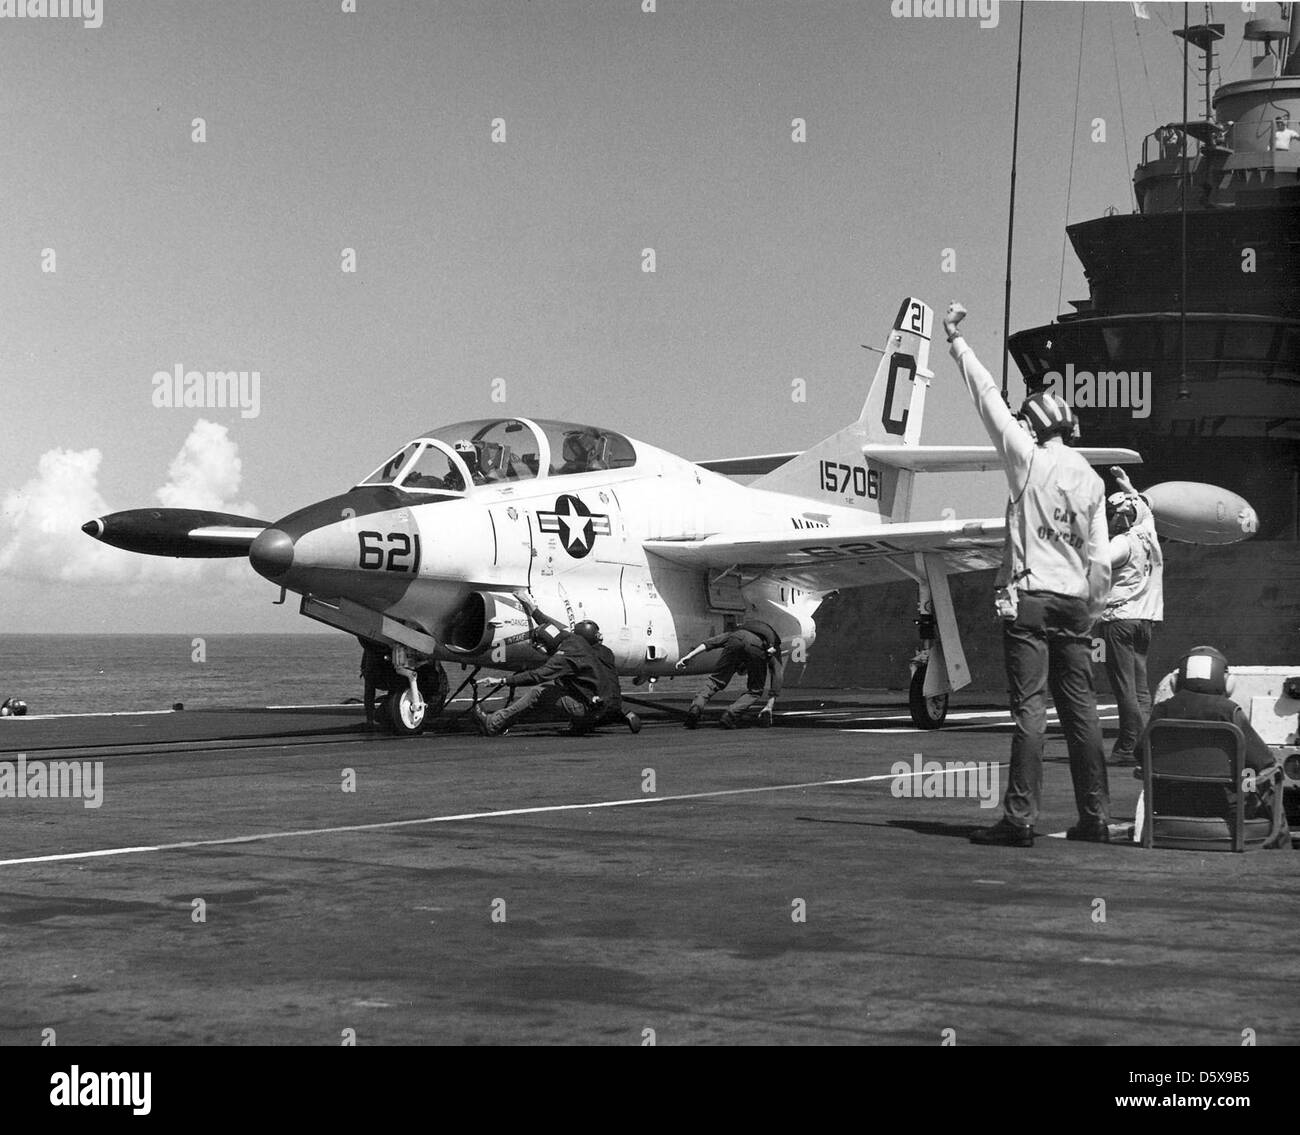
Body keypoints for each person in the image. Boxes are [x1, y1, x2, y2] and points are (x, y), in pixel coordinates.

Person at [945, 302, 1112, 846]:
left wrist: (957, 341)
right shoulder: (1091, 481)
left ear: (1035, 427)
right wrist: (1091, 608)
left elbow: (986, 398)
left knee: (1030, 713)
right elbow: (1101, 562)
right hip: (1074, 607)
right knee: (1082, 713)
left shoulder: (1027, 459)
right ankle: (1096, 818)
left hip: (1031, 602)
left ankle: (1019, 820)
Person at [1142, 646, 1290, 849]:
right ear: (1227, 683)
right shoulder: (1230, 712)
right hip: (1226, 811)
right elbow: (1264, 761)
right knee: (1269, 780)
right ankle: (1283, 851)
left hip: (1169, 808)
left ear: (1175, 683)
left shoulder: (1161, 711)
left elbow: (1140, 754)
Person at [473, 610, 640, 736]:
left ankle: (493, 724)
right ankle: (584, 724)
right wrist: (532, 608)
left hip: (591, 709)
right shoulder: (577, 642)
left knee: (538, 692)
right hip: (606, 704)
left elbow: (537, 676)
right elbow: (554, 629)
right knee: (564, 684)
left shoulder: (564, 657)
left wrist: (502, 680)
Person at [1097, 466, 1164, 765]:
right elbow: (1142, 509)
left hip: (1120, 620)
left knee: (1124, 688)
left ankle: (1127, 747)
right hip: (1145, 620)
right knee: (1141, 689)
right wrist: (1128, 487)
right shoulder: (1149, 533)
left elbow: (1097, 564)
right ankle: (1146, 747)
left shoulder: (1121, 543)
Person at [675, 620, 783, 729]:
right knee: (755, 691)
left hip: (735, 640)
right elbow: (777, 675)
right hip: (757, 648)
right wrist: (769, 705)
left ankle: (696, 707)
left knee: (715, 681)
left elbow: (711, 643)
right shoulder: (774, 646)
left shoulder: (737, 632)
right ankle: (729, 716)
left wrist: (689, 656)